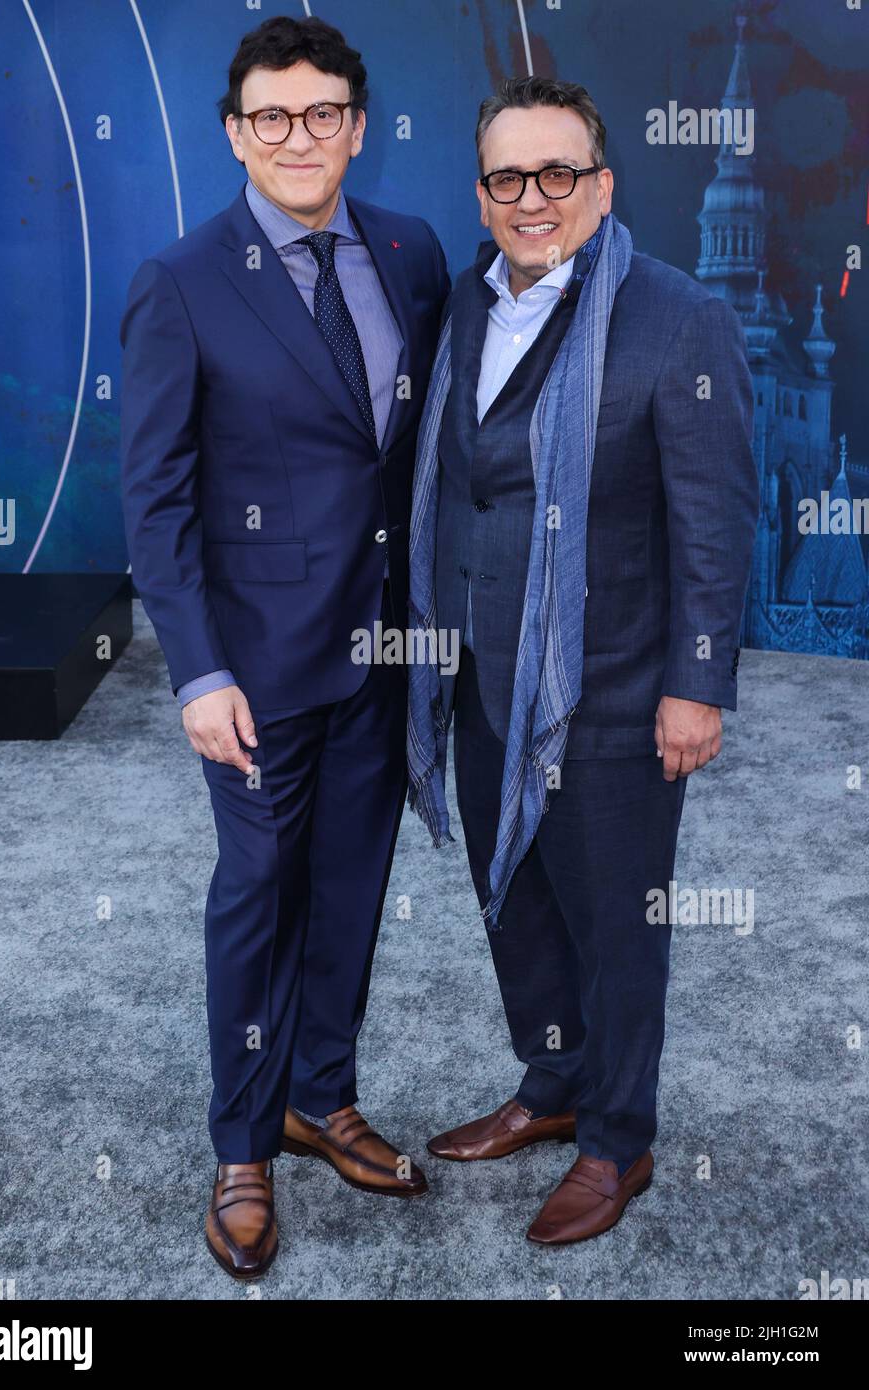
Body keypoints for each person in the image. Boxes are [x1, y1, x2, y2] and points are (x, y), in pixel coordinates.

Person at [120, 16, 449, 1280]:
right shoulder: (182, 280)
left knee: (352, 885)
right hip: (251, 671)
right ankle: (245, 1146)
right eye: (272, 117)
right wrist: (195, 668)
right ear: (234, 134)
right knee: (258, 892)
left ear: (357, 129)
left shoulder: (412, 253)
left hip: (385, 650)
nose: (298, 137)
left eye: (322, 115)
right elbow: (153, 497)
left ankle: (322, 1094)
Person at [407, 76, 759, 1245]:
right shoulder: (461, 306)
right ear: (482, 194)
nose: (532, 197)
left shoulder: (675, 316)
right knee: (515, 901)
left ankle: (617, 1137)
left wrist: (695, 684)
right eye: (508, 177)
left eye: (558, 173)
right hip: (479, 678)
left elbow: (714, 516)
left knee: (617, 926)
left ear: (601, 187)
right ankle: (551, 1086)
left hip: (607, 691)